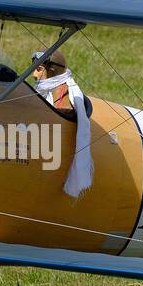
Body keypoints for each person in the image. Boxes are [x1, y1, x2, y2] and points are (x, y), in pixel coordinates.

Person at [31, 50, 93, 198]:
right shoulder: (48, 90)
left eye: (38, 69)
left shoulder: (64, 94)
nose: (34, 74)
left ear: (51, 70)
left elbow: (59, 115)